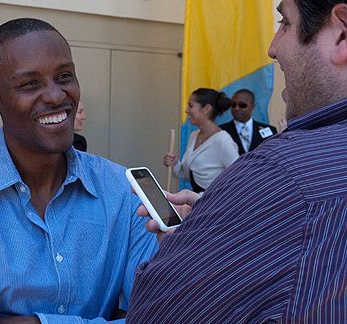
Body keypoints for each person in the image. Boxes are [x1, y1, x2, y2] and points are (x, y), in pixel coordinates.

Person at [0, 18, 159, 323]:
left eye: (64, 76)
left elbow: (161, 315)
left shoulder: (124, 191)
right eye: (30, 83)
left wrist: (30, 321)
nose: (56, 96)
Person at [127, 0, 347, 322]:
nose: (273, 49)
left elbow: (157, 313)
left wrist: (206, 236)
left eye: (284, 23)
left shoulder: (278, 175)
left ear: (341, 33)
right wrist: (222, 218)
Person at [163, 88, 239, 193]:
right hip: (198, 204)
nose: (186, 110)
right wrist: (175, 164)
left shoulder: (223, 141)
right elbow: (189, 175)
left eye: (191, 105)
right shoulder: (194, 136)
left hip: (214, 205)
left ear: (206, 108)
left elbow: (239, 179)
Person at [219, 88, 278, 155]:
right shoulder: (221, 131)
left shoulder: (270, 131)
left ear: (252, 107)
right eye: (233, 105)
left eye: (242, 105)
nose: (236, 108)